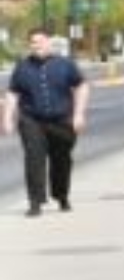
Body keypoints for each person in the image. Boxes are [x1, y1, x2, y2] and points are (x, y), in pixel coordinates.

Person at [3, 27, 89, 217]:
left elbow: (81, 86)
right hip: (31, 120)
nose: (36, 45)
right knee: (34, 160)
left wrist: (79, 114)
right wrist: (7, 118)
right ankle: (35, 202)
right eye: (33, 42)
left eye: (40, 41)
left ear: (49, 43)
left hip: (62, 121)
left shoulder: (65, 64)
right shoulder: (22, 67)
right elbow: (12, 92)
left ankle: (61, 195)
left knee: (61, 161)